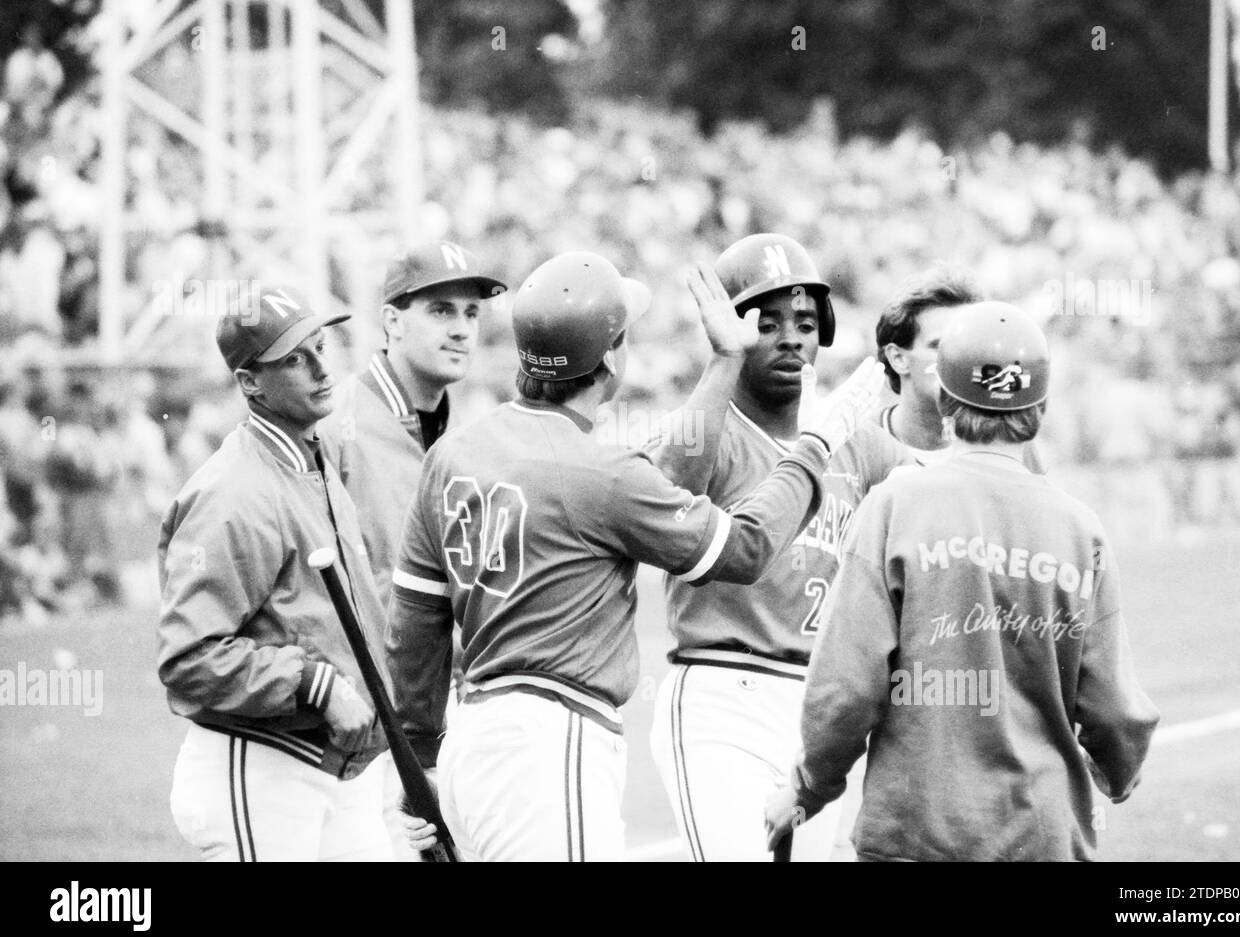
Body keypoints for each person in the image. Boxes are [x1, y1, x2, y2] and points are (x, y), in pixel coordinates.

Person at [391, 251, 876, 861]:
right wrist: (816, 447)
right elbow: (745, 547)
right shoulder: (602, 469)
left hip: (471, 735)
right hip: (550, 740)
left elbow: (415, 621)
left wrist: (421, 762)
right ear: (612, 358)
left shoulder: (455, 454)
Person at [766, 301, 1160, 861]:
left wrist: (807, 790)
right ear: (1039, 407)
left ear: (947, 398)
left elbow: (847, 691)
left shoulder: (895, 505)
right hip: (1041, 838)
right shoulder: (1079, 530)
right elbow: (1115, 711)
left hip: (916, 833)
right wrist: (1118, 772)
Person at [646, 233, 912, 861]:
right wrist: (721, 364)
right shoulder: (705, 426)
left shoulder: (854, 436)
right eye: (766, 323)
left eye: (804, 321)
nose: (791, 337)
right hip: (720, 695)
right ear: (730, 331)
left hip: (819, 709)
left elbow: (948, 497)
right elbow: (662, 503)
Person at [157, 285, 393, 861]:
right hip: (258, 765)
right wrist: (315, 685)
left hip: (333, 769)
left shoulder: (312, 459)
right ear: (249, 383)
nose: (320, 367)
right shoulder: (234, 490)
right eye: (294, 358)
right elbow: (188, 658)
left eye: (320, 346)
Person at [319, 241, 506, 861]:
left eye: (472, 314)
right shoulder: (337, 423)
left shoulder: (460, 434)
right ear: (392, 320)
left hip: (436, 717)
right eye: (441, 311)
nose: (461, 329)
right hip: (359, 724)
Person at [875, 265, 1045, 471]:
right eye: (941, 346)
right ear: (898, 358)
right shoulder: (862, 446)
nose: (960, 359)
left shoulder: (1009, 445)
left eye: (970, 345)